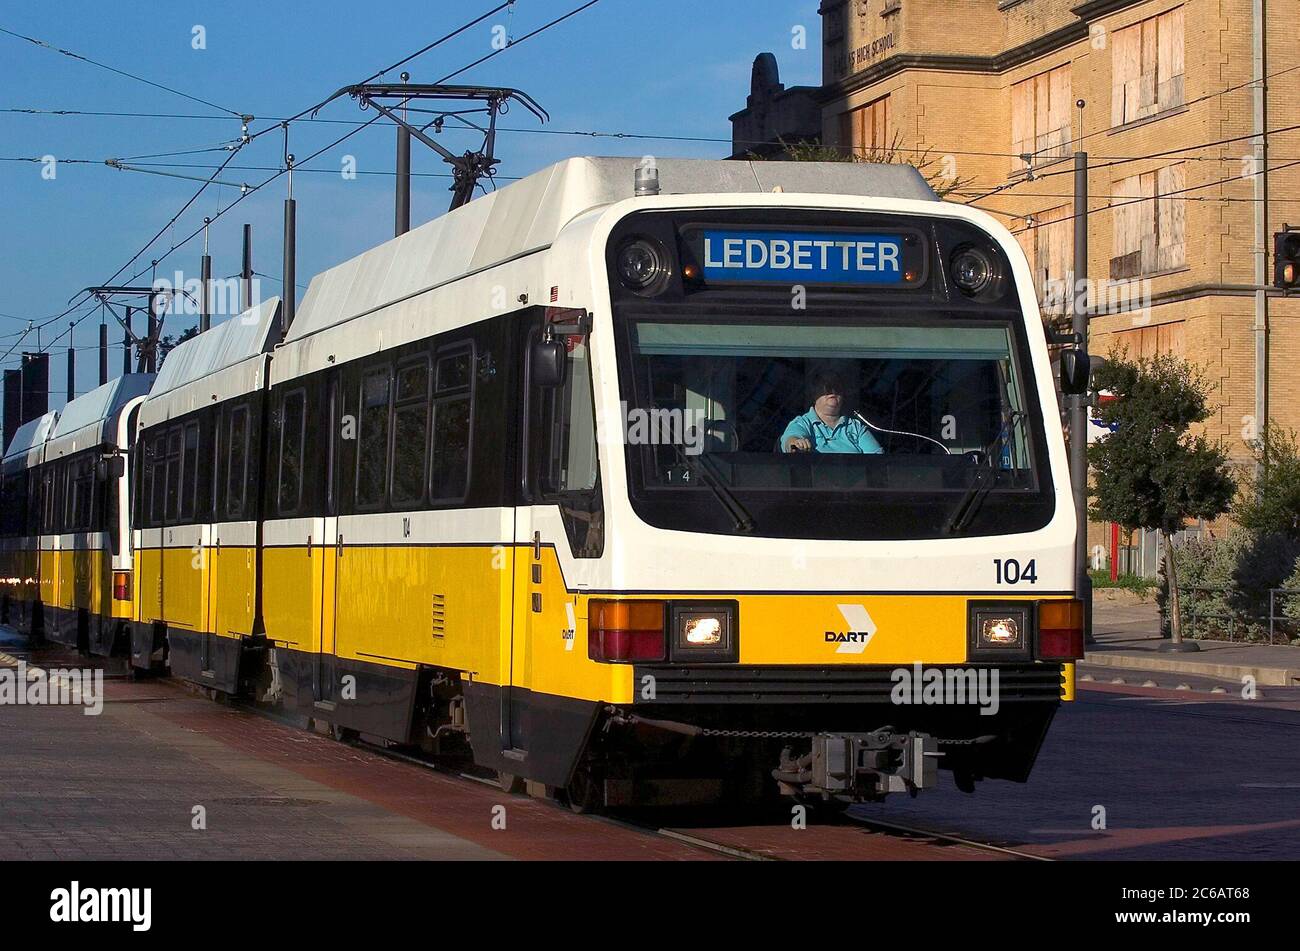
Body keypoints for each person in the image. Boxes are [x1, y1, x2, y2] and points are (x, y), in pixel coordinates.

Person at [781, 374, 883, 454]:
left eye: (837, 387)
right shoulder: (803, 422)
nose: (832, 390)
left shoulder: (856, 426)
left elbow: (877, 457)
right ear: (813, 395)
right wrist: (795, 442)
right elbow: (790, 440)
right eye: (825, 387)